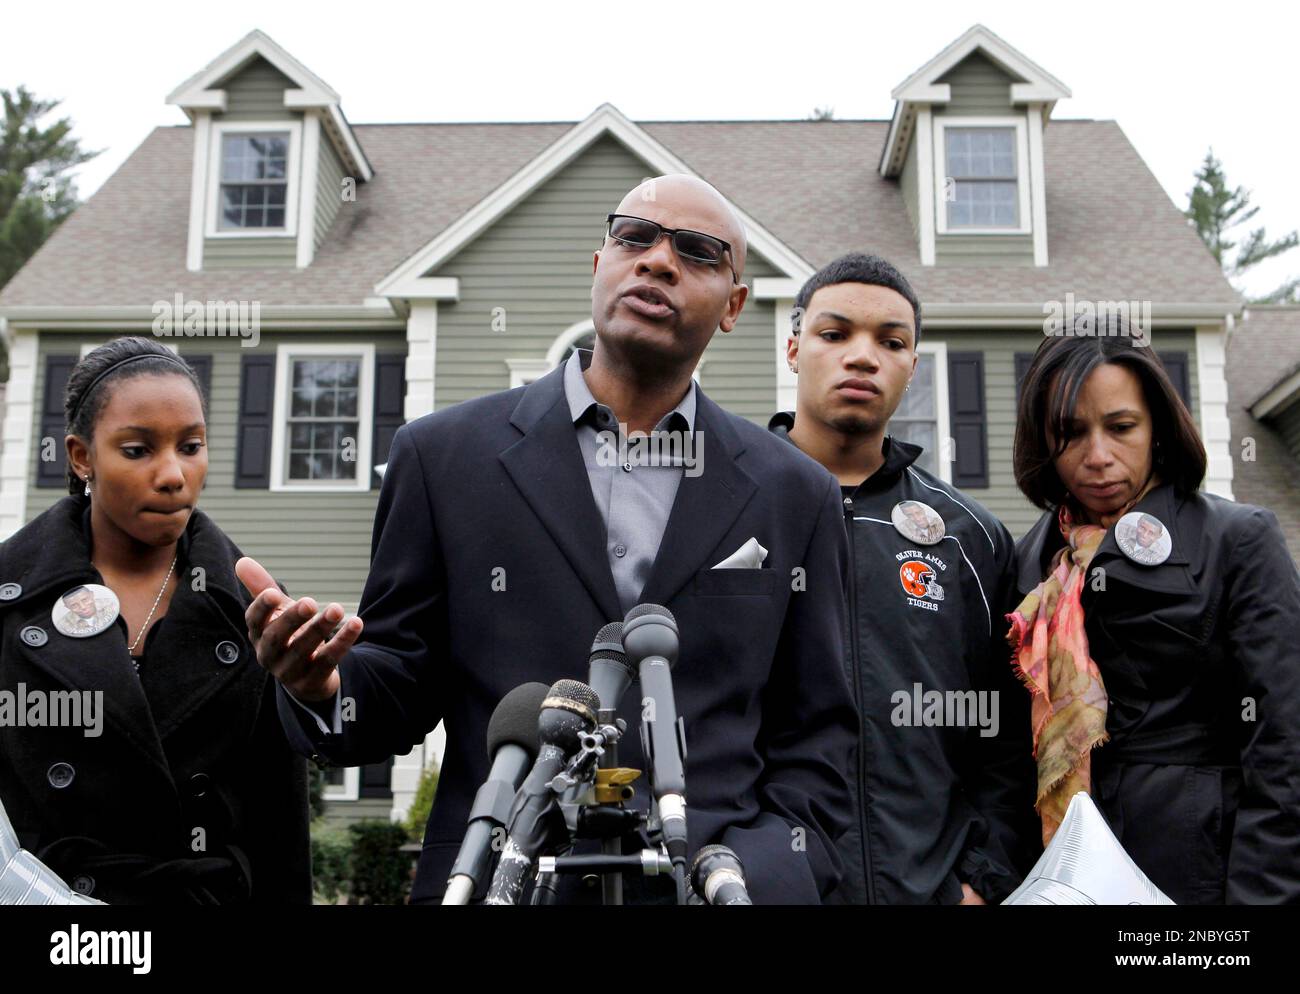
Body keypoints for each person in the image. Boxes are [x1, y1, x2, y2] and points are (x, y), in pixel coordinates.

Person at [237, 175, 858, 905]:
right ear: (598, 264)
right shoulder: (443, 459)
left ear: (734, 306)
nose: (657, 261)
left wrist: (764, 874)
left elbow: (819, 739)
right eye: (634, 237)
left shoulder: (796, 491)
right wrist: (323, 685)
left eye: (697, 252)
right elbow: (399, 681)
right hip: (500, 881)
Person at [0, 336, 310, 904]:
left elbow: (278, 824)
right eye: (138, 450)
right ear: (81, 456)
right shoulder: (8, 599)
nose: (173, 474)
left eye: (190, 446)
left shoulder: (252, 609)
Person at [770, 252, 1036, 904]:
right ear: (794, 347)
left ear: (913, 367)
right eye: (836, 335)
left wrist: (984, 877)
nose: (863, 357)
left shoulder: (970, 536)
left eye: (891, 342)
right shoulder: (725, 510)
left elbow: (1007, 734)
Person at [1010, 324, 1300, 904]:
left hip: (1201, 882)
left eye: (1121, 428)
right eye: (1070, 433)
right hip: (1057, 877)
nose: (1098, 457)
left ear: (1158, 429)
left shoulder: (1237, 541)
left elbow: (1285, 748)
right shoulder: (1028, 564)